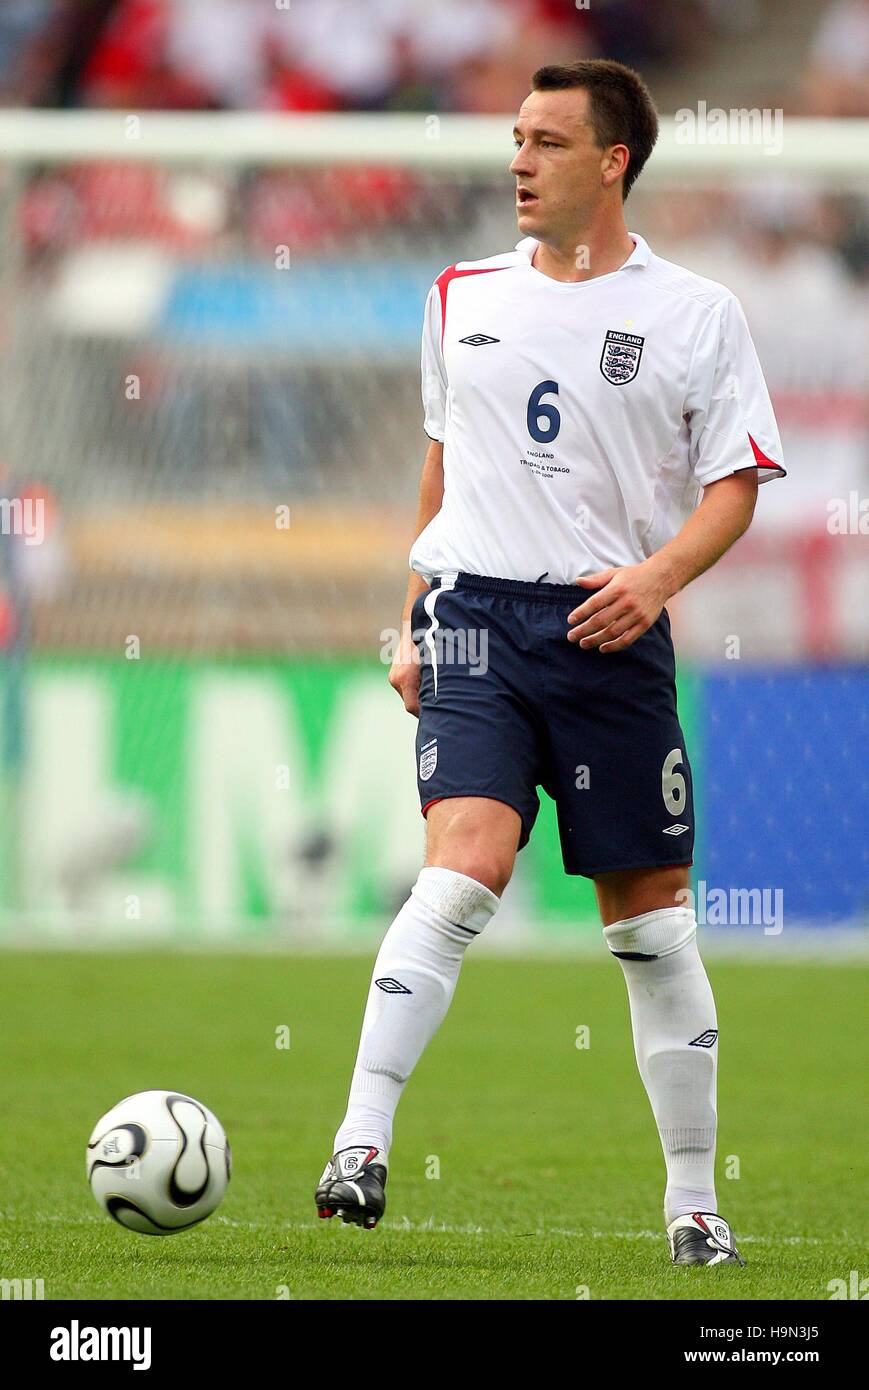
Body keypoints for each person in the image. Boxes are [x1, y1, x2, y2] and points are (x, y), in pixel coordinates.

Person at [315, 58, 784, 1266]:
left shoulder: (695, 312)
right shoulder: (458, 292)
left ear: (611, 160)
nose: (516, 161)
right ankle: (358, 1143)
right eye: (514, 138)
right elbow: (441, 464)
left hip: (606, 636)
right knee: (461, 868)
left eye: (546, 142)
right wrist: (414, 619)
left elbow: (733, 486)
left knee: (649, 929)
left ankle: (692, 1203)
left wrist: (654, 581)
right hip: (474, 621)